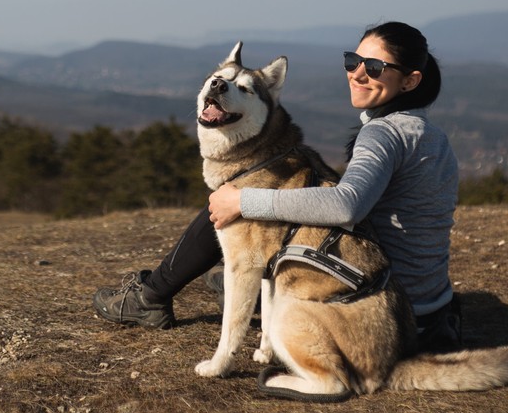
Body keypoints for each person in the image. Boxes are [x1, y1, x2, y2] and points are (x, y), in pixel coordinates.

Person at [92, 21, 463, 353]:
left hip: (380, 307)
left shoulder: (382, 135)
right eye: (354, 61)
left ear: (411, 80)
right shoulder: (429, 133)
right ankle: (189, 290)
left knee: (232, 203)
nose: (358, 74)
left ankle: (151, 297)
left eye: (376, 68)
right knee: (238, 209)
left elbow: (347, 205)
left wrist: (244, 200)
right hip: (434, 307)